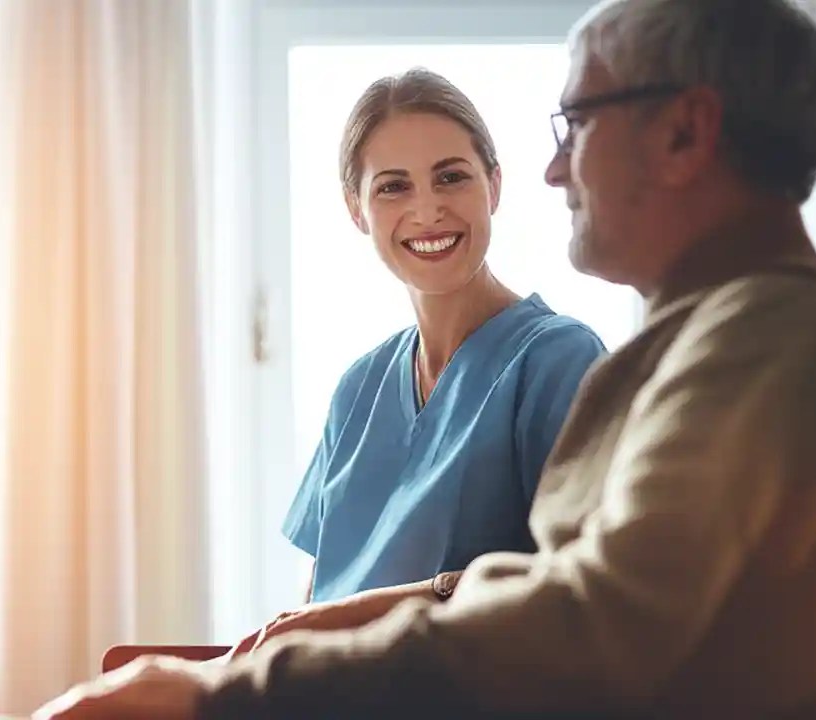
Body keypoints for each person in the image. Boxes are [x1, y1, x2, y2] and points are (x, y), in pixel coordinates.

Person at [34, 0, 816, 717]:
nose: (559, 169)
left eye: (577, 123)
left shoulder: (761, 340)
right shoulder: (718, 339)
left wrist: (225, 695)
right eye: (390, 188)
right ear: (356, 209)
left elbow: (593, 620)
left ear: (685, 134)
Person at [232, 69, 606, 655]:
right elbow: (312, 608)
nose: (428, 210)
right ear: (356, 208)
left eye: (451, 177)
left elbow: (577, 591)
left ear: (495, 187)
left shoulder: (558, 361)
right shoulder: (359, 387)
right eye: (393, 187)